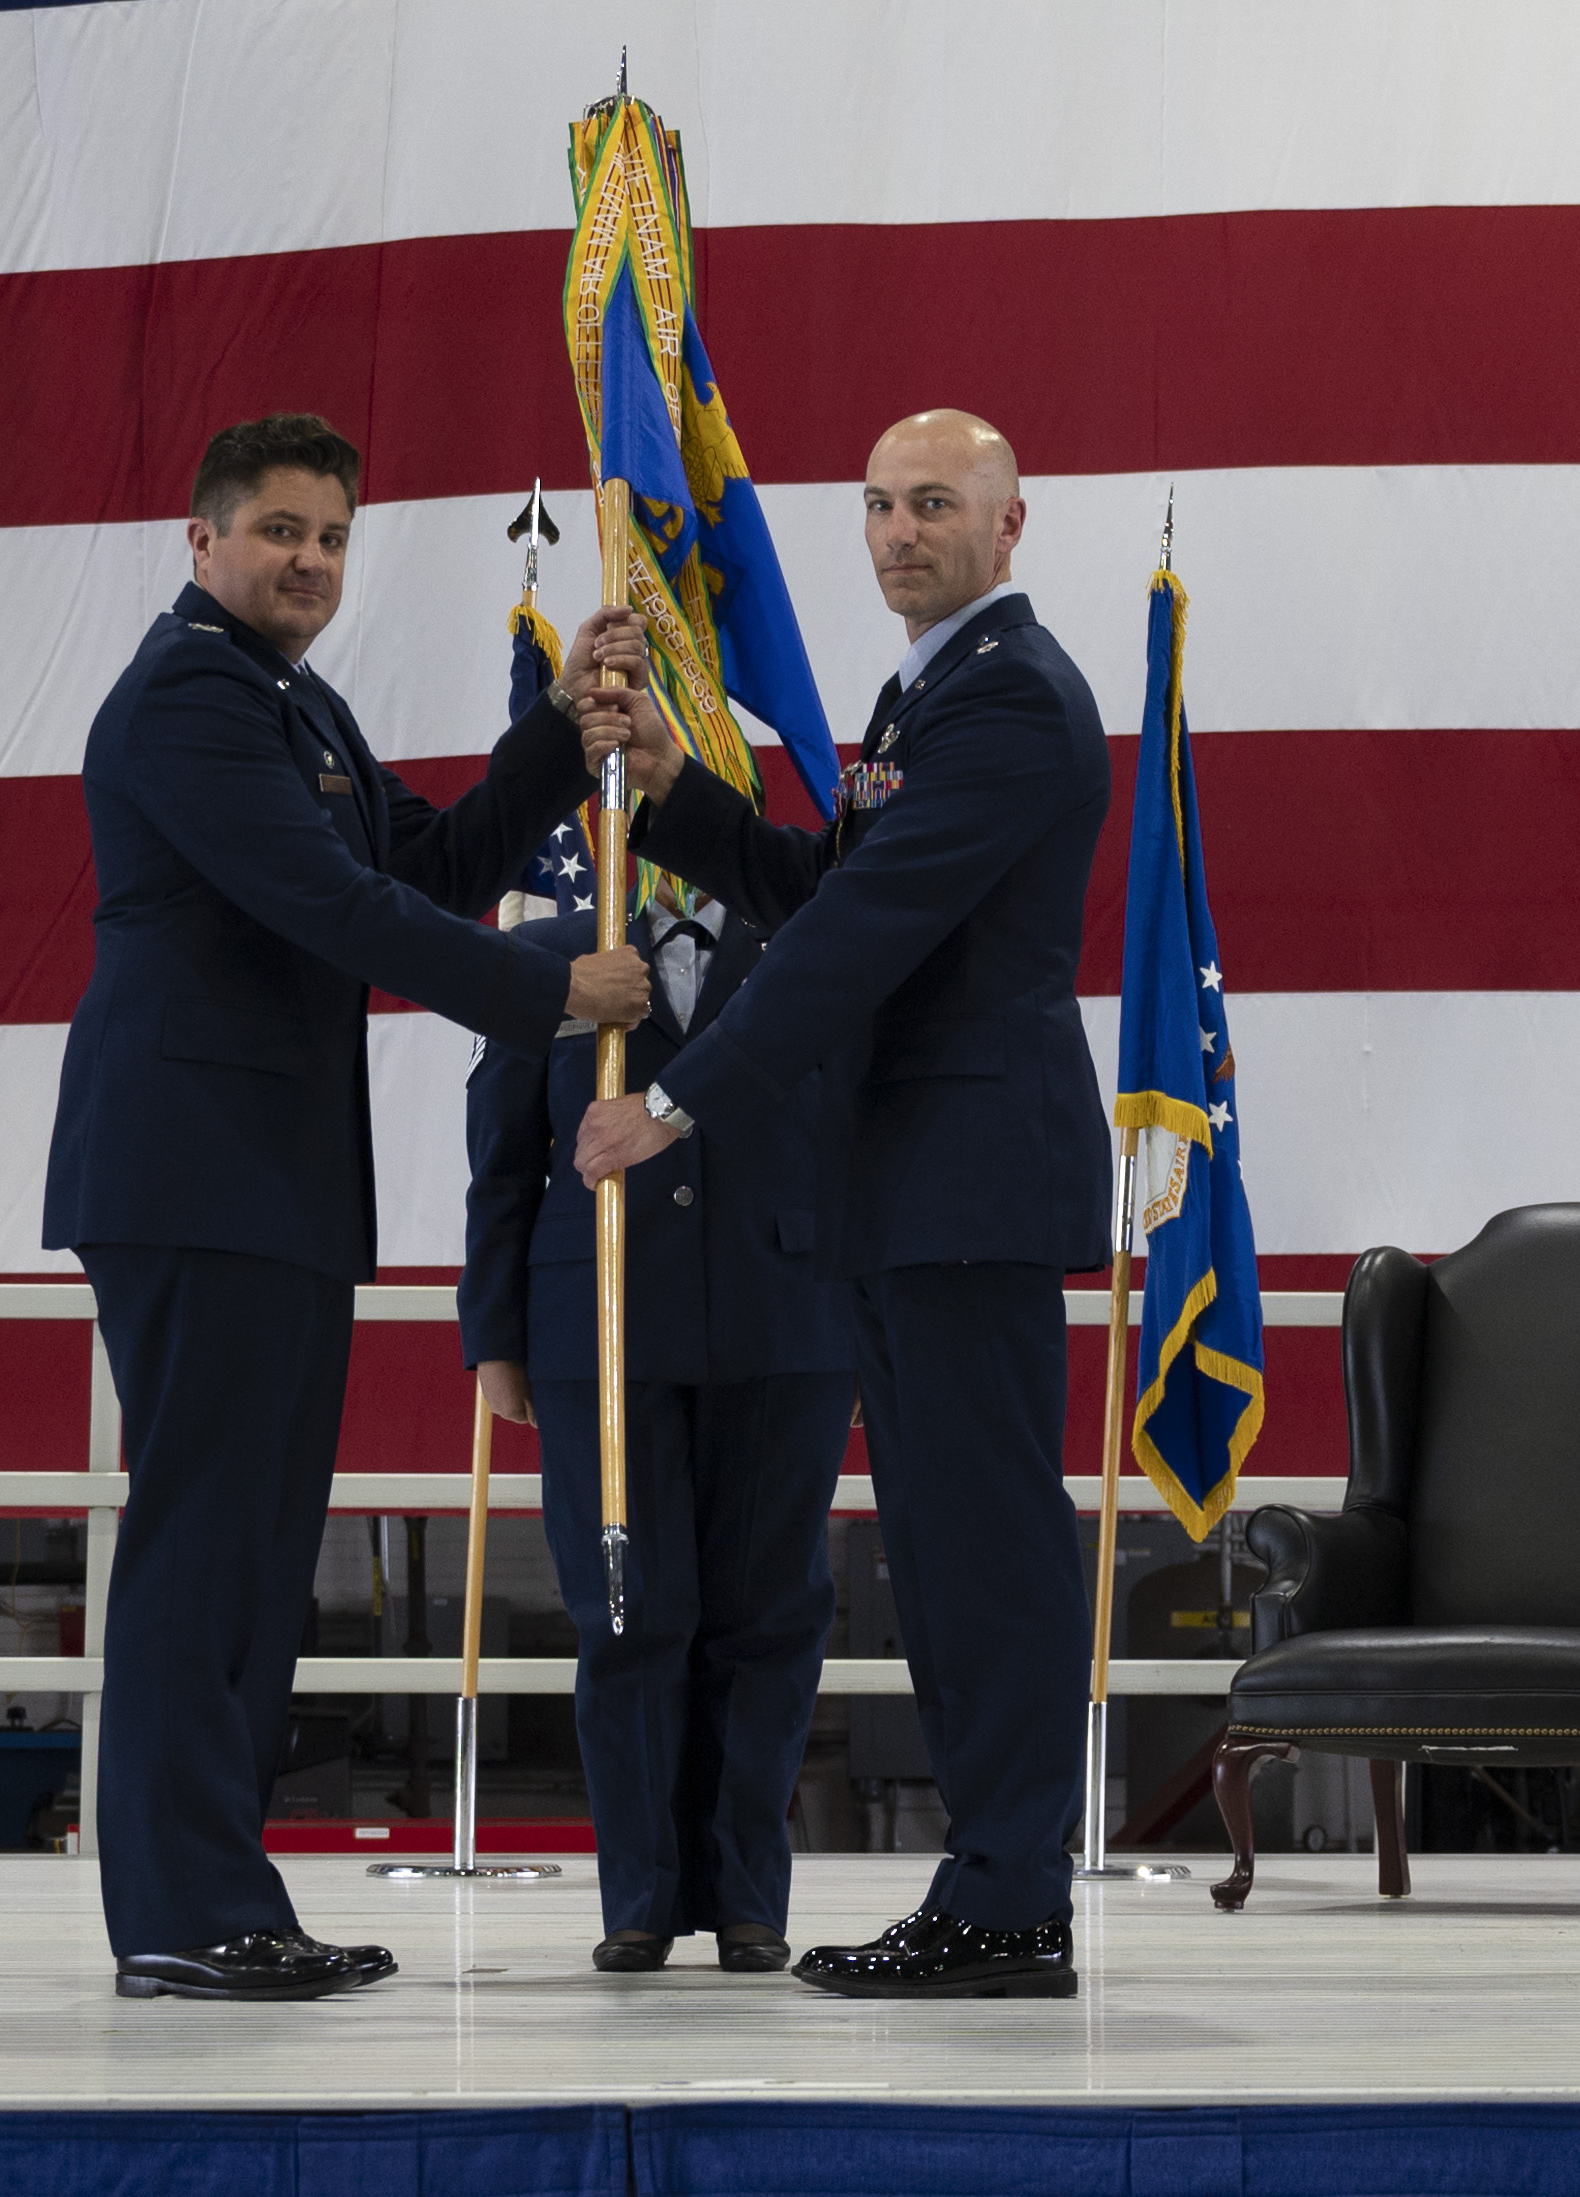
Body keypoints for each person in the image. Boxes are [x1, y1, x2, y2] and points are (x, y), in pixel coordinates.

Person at [45, 413, 651, 2003]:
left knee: (254, 1558)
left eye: (328, 537)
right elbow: (333, 906)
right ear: (201, 539)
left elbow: (429, 861)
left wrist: (559, 726)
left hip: (271, 1180)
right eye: (278, 531)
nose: (308, 560)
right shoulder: (188, 697)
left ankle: (220, 1897)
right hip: (195, 1170)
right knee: (205, 1547)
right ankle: (179, 1910)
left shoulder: (290, 700)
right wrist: (550, 990)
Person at [574, 409, 1111, 1999]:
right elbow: (828, 888)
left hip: (968, 1176)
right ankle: (991, 1887)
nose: (896, 531)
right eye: (877, 504)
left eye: (932, 502)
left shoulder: (1007, 694)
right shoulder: (924, 690)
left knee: (983, 1550)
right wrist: (676, 794)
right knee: (938, 1557)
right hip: (907, 1181)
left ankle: (1010, 1897)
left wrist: (675, 1100)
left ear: (1008, 524)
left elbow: (860, 931)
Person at [460, 881, 855, 1975]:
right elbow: (503, 1155)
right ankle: (639, 1896)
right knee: (627, 1610)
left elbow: (863, 1127)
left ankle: (746, 1899)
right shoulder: (555, 954)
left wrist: (868, 1317)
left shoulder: (813, 943)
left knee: (768, 1617)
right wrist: (494, 1334)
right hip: (597, 1322)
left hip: (787, 1314)